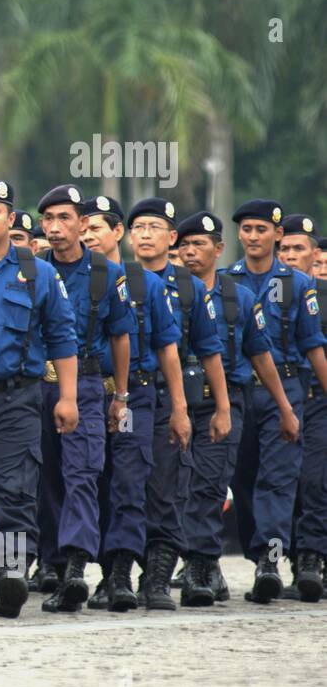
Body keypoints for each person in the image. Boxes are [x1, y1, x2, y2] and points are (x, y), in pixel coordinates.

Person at [0, 180, 78, 618]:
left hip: (16, 397)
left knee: (14, 489)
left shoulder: (37, 272)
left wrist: (67, 397)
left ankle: (10, 571)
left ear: (11, 219)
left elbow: (62, 336)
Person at [175, 211, 297, 604]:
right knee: (195, 488)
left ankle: (253, 562)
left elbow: (261, 355)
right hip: (176, 400)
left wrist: (285, 408)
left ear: (218, 249)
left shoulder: (238, 297)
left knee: (215, 486)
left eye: (200, 244)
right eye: (186, 245)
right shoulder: (166, 291)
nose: (191, 252)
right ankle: (203, 565)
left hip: (226, 401)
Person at [78, 194, 190, 611]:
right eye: (82, 228)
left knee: (128, 478)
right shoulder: (67, 278)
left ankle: (121, 572)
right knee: (94, 481)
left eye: (96, 228)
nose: (88, 235)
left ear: (116, 233)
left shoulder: (145, 285)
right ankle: (95, 571)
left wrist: (178, 408)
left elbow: (168, 349)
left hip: (132, 401)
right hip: (88, 393)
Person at [125, 197, 229, 610]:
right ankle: (117, 574)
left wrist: (221, 408)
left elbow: (209, 350)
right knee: (125, 487)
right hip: (128, 398)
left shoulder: (188, 288)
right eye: (139, 227)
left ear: (171, 238)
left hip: (174, 398)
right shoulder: (116, 279)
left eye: (155, 227)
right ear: (128, 236)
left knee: (167, 490)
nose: (146, 234)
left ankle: (157, 579)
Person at [34, 185, 132, 613]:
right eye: (48, 220)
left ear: (83, 224)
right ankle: (51, 564)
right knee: (44, 477)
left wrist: (121, 396)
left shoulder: (106, 274)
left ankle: (75, 566)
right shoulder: (30, 268)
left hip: (90, 386)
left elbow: (120, 335)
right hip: (36, 384)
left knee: (82, 474)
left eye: (65, 219)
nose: (55, 228)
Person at [225, 200, 327, 601]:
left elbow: (313, 345)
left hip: (284, 389)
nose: (253, 236)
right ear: (238, 235)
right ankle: (260, 556)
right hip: (236, 392)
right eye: (247, 229)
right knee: (242, 480)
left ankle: (270, 560)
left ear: (277, 235)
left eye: (261, 229)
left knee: (279, 479)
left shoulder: (297, 285)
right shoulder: (225, 281)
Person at [276, 213, 327, 601]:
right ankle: (290, 559)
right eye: (286, 249)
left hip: (319, 400)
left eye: (299, 249)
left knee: (313, 481)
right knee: (281, 484)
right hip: (281, 398)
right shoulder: (272, 292)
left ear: (314, 254)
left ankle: (310, 558)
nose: (291, 256)